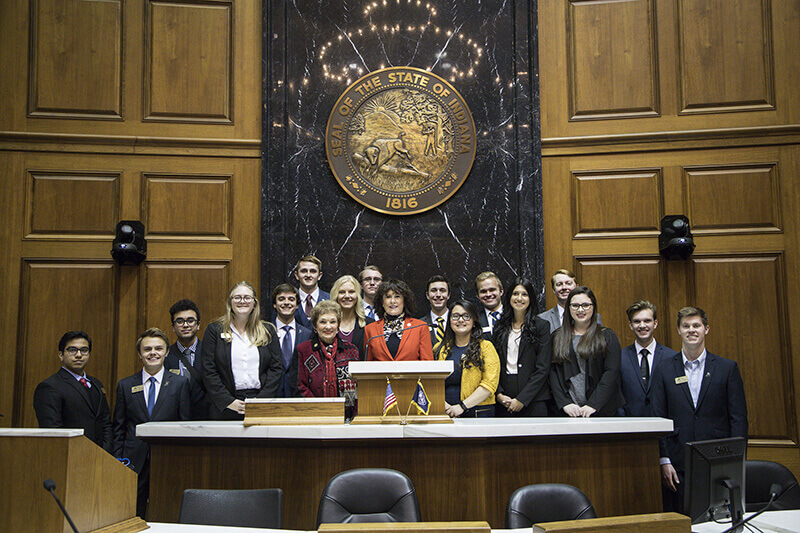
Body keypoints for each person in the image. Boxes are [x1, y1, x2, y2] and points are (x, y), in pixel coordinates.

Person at [651, 306, 748, 513]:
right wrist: (663, 459)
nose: (691, 330)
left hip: (718, 461)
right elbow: (658, 417)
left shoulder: (726, 368)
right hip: (678, 463)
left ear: (706, 329)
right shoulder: (664, 368)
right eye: (686, 326)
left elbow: (738, 418)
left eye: (696, 325)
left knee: (718, 521)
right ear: (678, 330)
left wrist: (736, 462)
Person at [113, 328, 191, 518]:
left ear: (166, 352)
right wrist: (117, 461)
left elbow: (185, 424)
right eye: (147, 349)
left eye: (158, 348)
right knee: (132, 512)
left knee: (166, 509)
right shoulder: (126, 385)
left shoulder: (180, 383)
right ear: (140, 354)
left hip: (168, 458)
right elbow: (119, 427)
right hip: (133, 460)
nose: (153, 353)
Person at [201, 281, 283, 419]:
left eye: (247, 297)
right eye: (237, 297)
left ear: (254, 303)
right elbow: (208, 370)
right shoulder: (214, 330)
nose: (242, 301)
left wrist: (261, 400)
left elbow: (276, 368)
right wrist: (228, 401)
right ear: (230, 302)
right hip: (225, 406)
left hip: (260, 404)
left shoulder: (267, 331)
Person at [549, 286, 624, 417]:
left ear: (593, 307)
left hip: (601, 410)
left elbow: (611, 372)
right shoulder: (557, 336)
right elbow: (552, 372)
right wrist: (565, 403)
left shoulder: (607, 335)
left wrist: (593, 405)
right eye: (575, 305)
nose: (580, 310)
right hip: (567, 411)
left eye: (585, 305)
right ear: (568, 308)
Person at [33, 331, 113, 452]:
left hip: (100, 458)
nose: (79, 355)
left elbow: (106, 423)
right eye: (72, 350)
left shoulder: (96, 384)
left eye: (84, 350)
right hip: (70, 457)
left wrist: (104, 453)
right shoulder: (49, 387)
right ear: (61, 355)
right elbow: (54, 433)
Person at [492, 278, 552, 417]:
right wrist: (499, 393)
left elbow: (543, 368)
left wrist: (522, 399)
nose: (519, 298)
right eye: (515, 294)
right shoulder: (500, 326)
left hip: (534, 399)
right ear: (509, 297)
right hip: (504, 401)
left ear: (530, 298)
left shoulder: (541, 326)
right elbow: (493, 365)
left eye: (524, 294)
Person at [291, 300, 360, 420]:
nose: (328, 326)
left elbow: (359, 387)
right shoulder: (303, 350)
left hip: (347, 417)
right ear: (315, 326)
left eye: (333, 322)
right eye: (323, 322)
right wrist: (320, 409)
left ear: (338, 325)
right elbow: (299, 387)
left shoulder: (352, 351)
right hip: (313, 415)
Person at [436, 300, 500, 418]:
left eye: (466, 316)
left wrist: (462, 407)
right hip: (445, 412)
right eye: (455, 316)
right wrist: (445, 406)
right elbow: (431, 382)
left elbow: (489, 384)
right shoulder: (440, 348)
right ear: (449, 321)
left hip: (479, 412)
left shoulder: (486, 347)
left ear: (474, 321)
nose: (460, 320)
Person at [618, 300, 677, 417]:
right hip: (630, 428)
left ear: (655, 323)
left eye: (647, 321)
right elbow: (617, 397)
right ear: (630, 325)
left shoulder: (672, 357)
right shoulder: (620, 357)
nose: (642, 325)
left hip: (664, 427)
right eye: (636, 321)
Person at [364, 278, 434, 361]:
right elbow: (367, 366)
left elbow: (428, 363)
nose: (392, 301)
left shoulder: (420, 327)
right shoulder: (370, 329)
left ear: (404, 301)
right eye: (388, 297)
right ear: (382, 302)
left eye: (397, 296)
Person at [164, 299, 207, 419]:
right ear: (173, 326)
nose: (185, 325)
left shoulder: (209, 352)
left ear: (198, 325)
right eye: (180, 321)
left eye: (190, 320)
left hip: (205, 417)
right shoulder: (165, 355)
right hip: (174, 417)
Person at [272, 284, 312, 397]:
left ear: (297, 305)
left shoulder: (307, 334)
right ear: (274, 304)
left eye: (291, 299)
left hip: (298, 395)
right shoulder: (265, 333)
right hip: (271, 394)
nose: (286, 303)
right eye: (281, 299)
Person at [331, 275, 374, 360]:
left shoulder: (369, 324)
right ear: (336, 296)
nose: (347, 296)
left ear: (357, 295)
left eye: (351, 292)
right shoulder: (326, 324)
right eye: (342, 292)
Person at [294, 255, 330, 329]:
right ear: (296, 275)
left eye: (313, 271)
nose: (308, 275)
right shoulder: (288, 301)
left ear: (319, 276)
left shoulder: (330, 299)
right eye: (304, 271)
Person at [538, 269, 577, 333]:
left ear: (576, 287)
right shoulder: (542, 319)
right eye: (559, 284)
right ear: (553, 289)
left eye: (568, 283)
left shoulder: (590, 317)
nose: (564, 287)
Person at [421, 275, 450, 352]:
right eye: (434, 290)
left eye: (442, 290)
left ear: (448, 295)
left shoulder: (458, 321)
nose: (438, 295)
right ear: (427, 295)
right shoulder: (420, 324)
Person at [475, 271, 503, 337]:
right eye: (483, 291)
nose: (488, 294)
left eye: (492, 290)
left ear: (501, 291)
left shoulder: (513, 316)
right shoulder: (475, 321)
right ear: (477, 295)